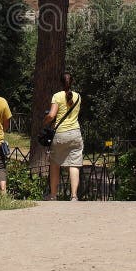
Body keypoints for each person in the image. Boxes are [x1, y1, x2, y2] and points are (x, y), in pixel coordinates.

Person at [42, 72, 83, 201]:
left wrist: (45, 121)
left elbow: (52, 115)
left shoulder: (57, 96)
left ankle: (53, 195)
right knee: (74, 164)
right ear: (72, 82)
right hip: (75, 133)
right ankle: (74, 196)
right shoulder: (78, 97)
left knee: (55, 164)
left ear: (60, 82)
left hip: (60, 134)